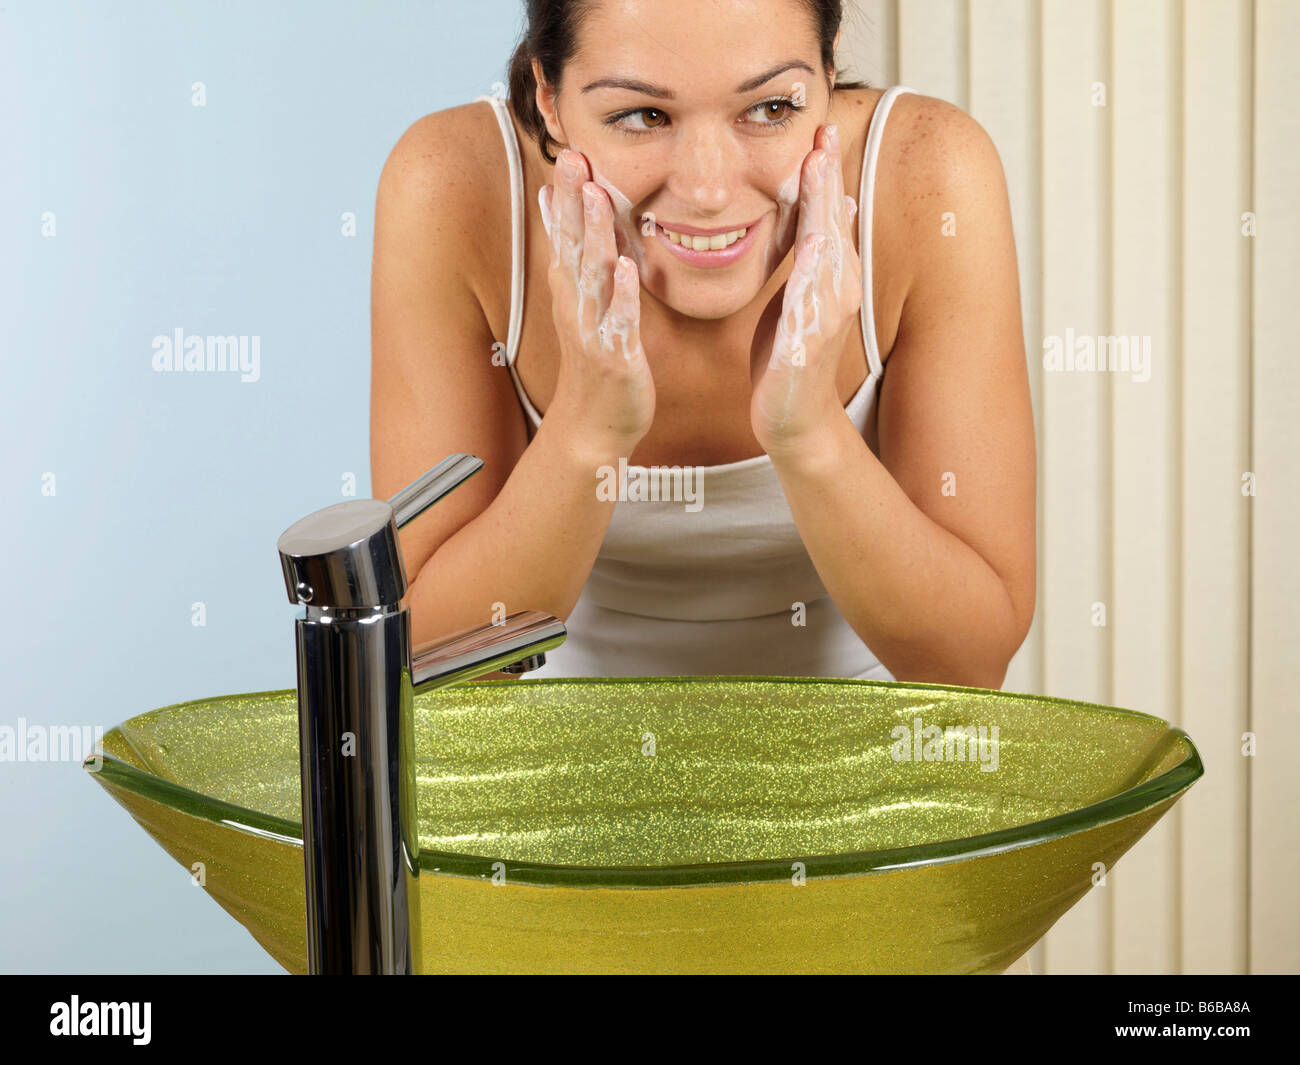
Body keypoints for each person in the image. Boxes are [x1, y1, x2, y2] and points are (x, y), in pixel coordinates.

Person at [370, 0, 1036, 686]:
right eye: (642, 116)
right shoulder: (452, 185)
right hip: (544, 763)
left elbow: (969, 661)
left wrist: (808, 431)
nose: (710, 190)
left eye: (772, 108)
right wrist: (587, 427)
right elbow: (431, 664)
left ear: (829, 69)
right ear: (550, 97)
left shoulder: (930, 176)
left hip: (873, 760)